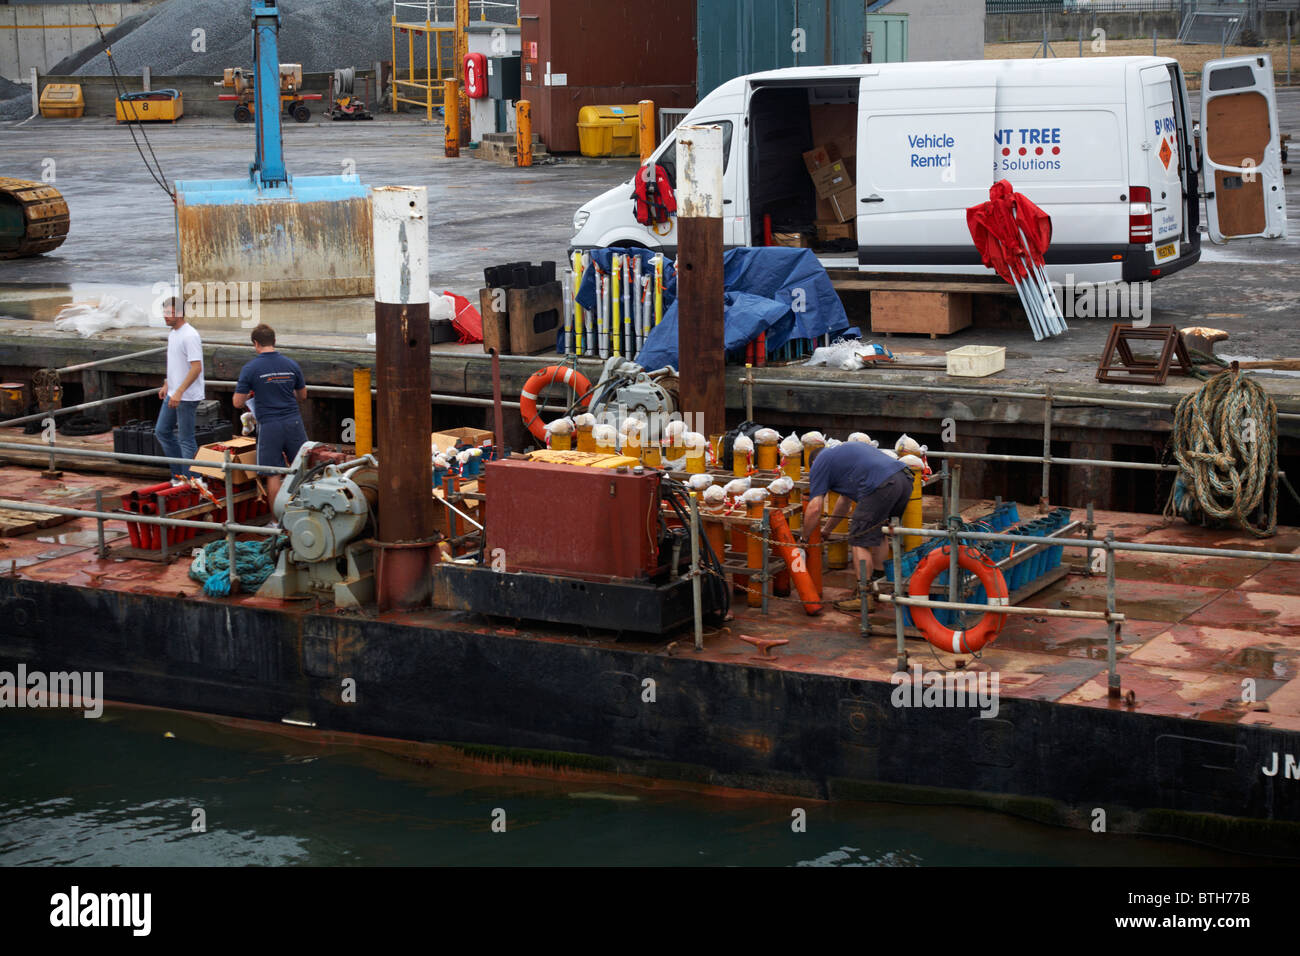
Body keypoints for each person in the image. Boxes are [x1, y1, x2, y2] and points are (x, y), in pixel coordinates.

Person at [801, 441, 914, 613]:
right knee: (878, 531)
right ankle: (877, 586)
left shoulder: (820, 463)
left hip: (881, 484)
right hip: (904, 478)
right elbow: (844, 503)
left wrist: (804, 538)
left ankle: (864, 596)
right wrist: (827, 531)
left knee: (858, 540)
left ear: (813, 464)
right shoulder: (842, 456)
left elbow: (815, 507)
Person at [233, 324, 307, 505]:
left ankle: (275, 522)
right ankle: (304, 514)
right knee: (303, 470)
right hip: (294, 422)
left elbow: (237, 402)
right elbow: (302, 396)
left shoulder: (250, 369)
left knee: (273, 473)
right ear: (274, 341)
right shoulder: (291, 364)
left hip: (270, 426)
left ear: (255, 343)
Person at [154, 296, 205, 480]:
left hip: (187, 396)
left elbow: (196, 367)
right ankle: (178, 475)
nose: (166, 316)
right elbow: (175, 363)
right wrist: (167, 383)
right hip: (174, 392)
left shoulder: (190, 335)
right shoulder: (173, 333)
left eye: (170, 313)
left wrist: (180, 391)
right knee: (162, 431)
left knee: (186, 438)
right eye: (165, 312)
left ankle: (194, 480)